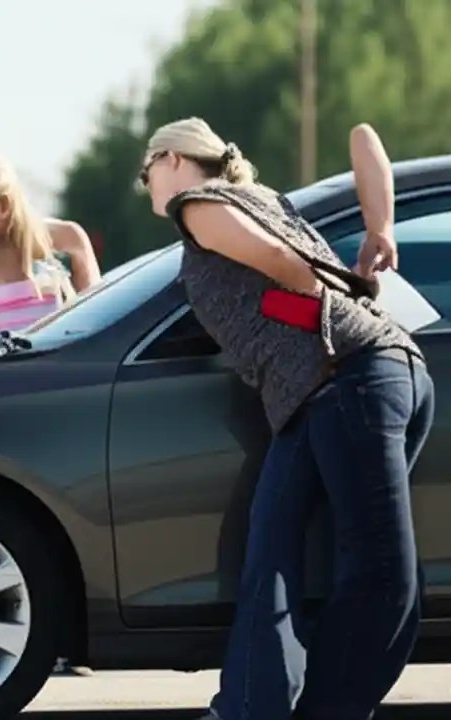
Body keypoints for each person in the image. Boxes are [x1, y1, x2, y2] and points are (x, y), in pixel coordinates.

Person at [139, 118, 433, 720]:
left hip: (350, 378)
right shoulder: (266, 199)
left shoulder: (198, 205)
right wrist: (379, 231)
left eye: (146, 174)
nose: (147, 187)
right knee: (268, 553)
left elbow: (274, 260)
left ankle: (331, 707)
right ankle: (249, 706)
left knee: (379, 571)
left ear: (169, 159)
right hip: (319, 393)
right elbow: (363, 134)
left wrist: (317, 294)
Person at [0, 152, 102, 356]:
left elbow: (101, 324)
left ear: (4, 204)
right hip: (1, 384)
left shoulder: (68, 239)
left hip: (62, 381)